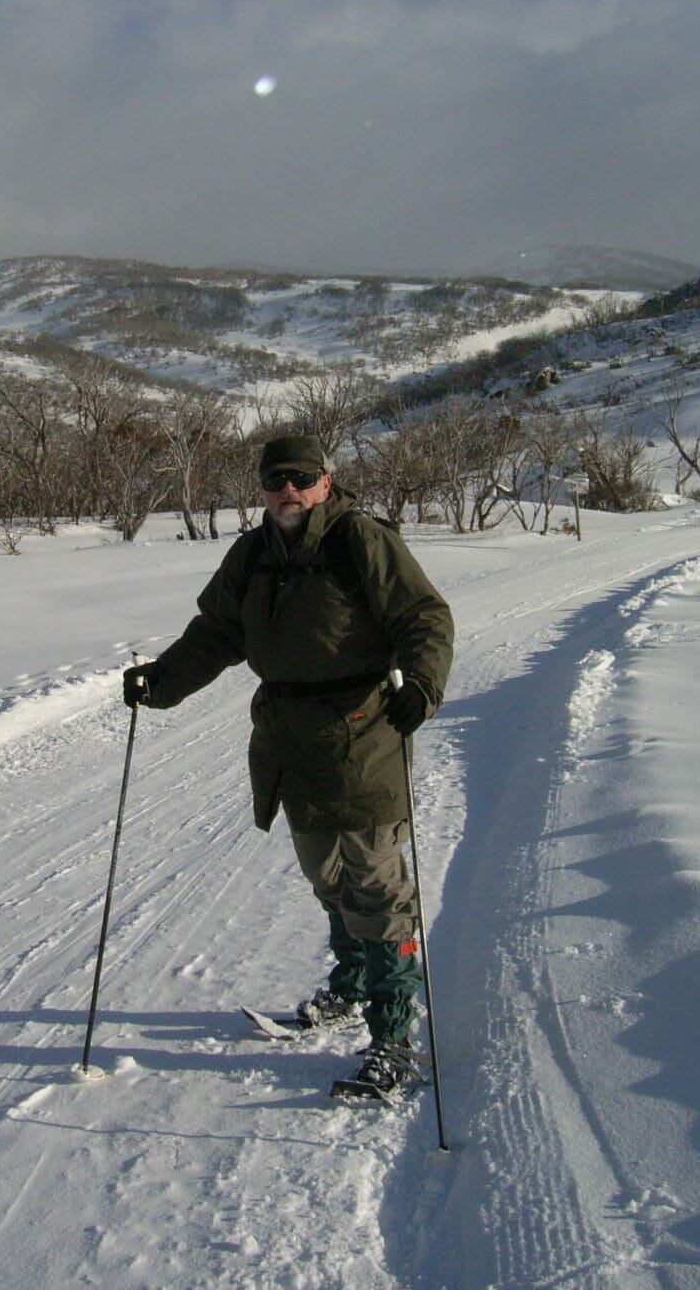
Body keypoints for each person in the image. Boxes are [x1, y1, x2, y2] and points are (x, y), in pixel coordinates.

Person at [122, 434, 454, 1092]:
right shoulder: (251, 555)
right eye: (276, 480)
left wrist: (422, 684)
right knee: (325, 875)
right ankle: (351, 984)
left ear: (327, 481)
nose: (288, 490)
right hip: (288, 737)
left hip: (363, 730)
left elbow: (423, 615)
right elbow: (217, 632)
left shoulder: (360, 541)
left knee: (378, 890)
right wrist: (160, 682)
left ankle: (394, 1034)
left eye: (302, 477)